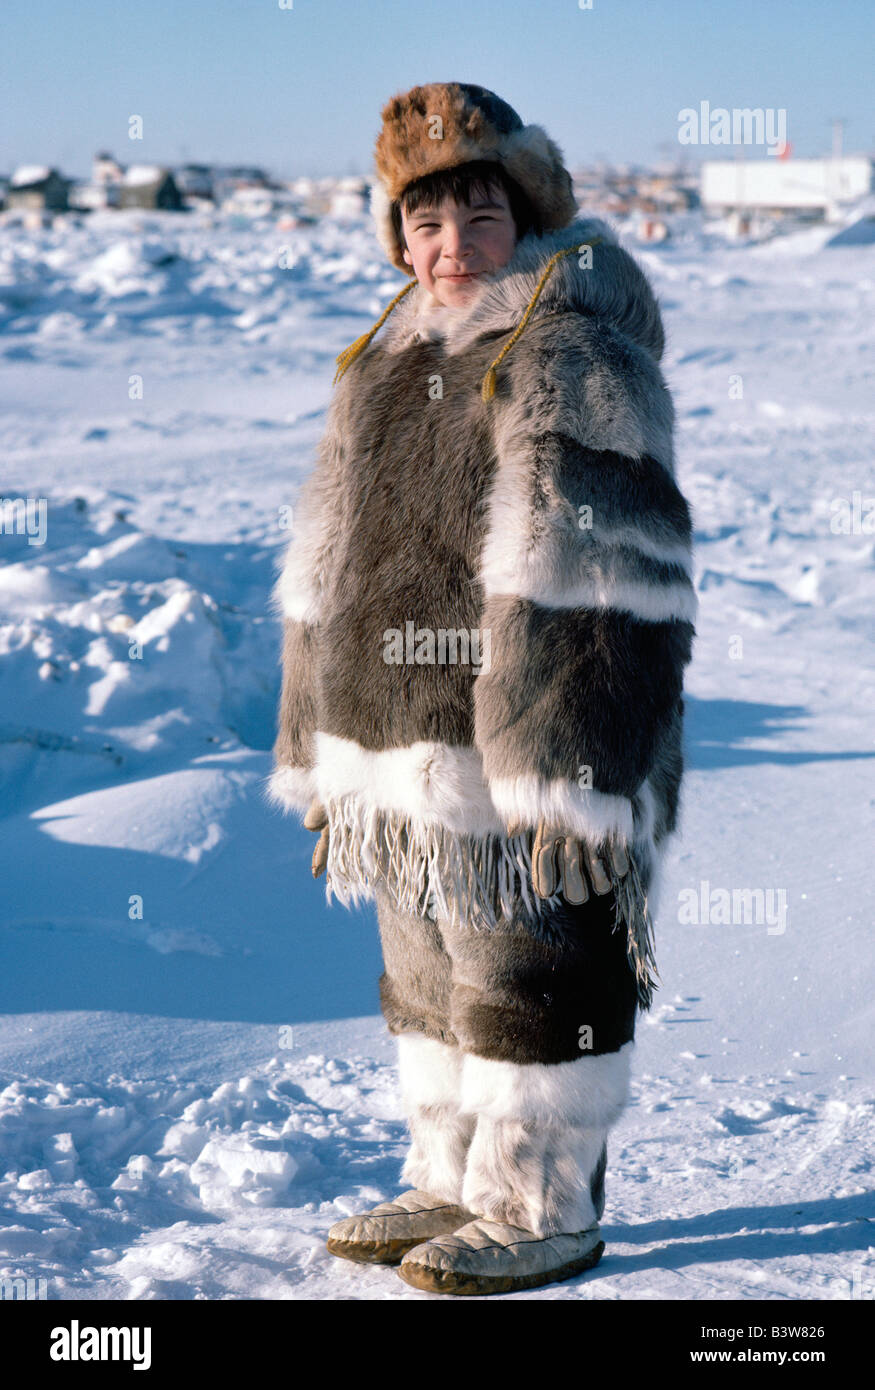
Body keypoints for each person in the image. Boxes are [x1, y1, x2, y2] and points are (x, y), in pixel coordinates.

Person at [267, 82, 696, 1295]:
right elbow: (327, 566)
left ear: (530, 216)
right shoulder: (387, 354)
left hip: (531, 756)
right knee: (426, 978)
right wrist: (320, 747)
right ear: (394, 234)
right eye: (425, 222)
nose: (450, 248)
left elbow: (606, 586)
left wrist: (572, 772)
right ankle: (450, 1175)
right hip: (395, 747)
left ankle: (538, 1200)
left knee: (528, 972)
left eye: (479, 217)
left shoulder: (570, 351)